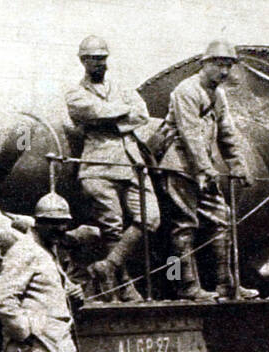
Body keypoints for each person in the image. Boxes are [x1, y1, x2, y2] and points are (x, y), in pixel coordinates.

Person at [158, 39, 257, 301]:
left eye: (228, 66)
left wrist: (238, 164)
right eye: (219, 65)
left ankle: (228, 285)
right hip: (179, 166)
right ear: (205, 64)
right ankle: (189, 288)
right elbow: (190, 134)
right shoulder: (186, 91)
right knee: (184, 225)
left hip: (202, 168)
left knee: (221, 219)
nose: (224, 72)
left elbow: (226, 132)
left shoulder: (218, 94)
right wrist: (204, 168)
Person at [65, 35, 160, 302]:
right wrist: (120, 112)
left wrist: (107, 115)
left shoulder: (122, 87)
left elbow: (142, 113)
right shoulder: (74, 93)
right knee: (112, 228)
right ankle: (125, 288)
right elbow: (88, 111)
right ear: (83, 61)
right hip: (97, 166)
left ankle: (109, 266)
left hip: (131, 164)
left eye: (103, 58)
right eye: (94, 59)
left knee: (150, 218)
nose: (99, 63)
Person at [0, 192, 82, 352]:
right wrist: (25, 331)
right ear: (38, 222)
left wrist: (71, 293)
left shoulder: (46, 250)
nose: (62, 228)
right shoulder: (24, 251)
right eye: (54, 223)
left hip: (59, 342)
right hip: (40, 345)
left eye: (64, 222)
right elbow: (0, 298)